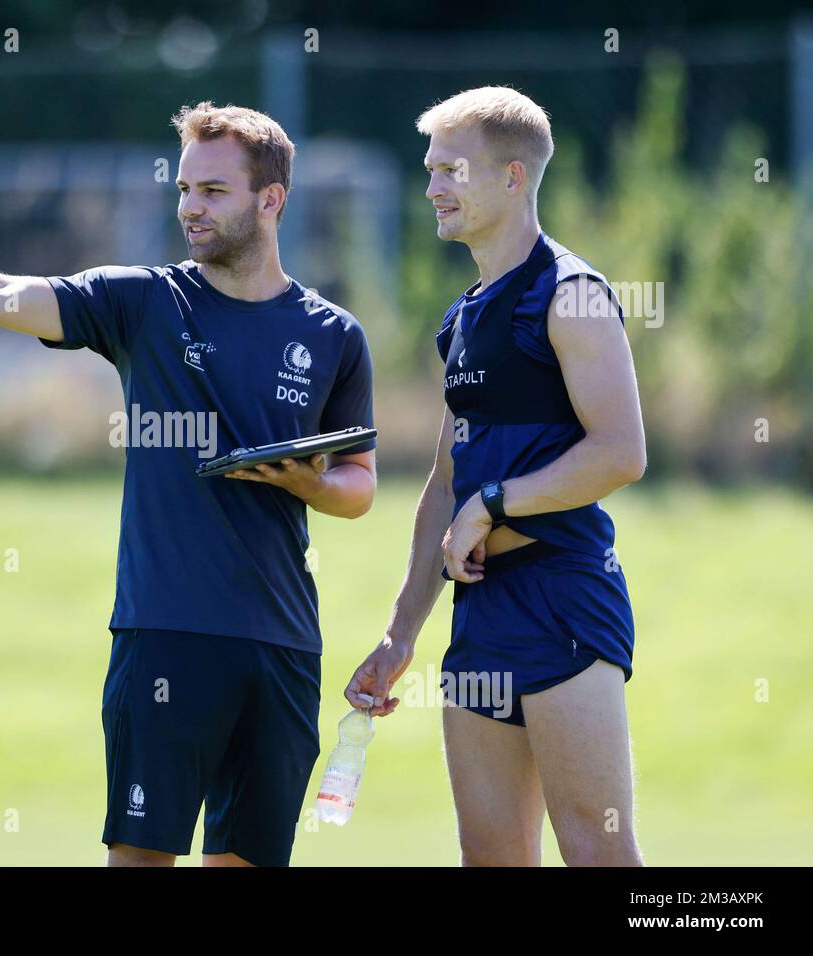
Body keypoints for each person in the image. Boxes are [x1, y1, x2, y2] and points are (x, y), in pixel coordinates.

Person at [0, 101, 377, 867]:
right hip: (166, 634)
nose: (190, 206)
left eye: (212, 192)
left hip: (284, 644)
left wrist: (306, 484)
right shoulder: (146, 302)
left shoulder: (333, 335)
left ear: (270, 199)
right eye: (184, 188)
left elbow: (359, 484)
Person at [345, 87, 646, 866]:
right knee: (492, 860)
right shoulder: (462, 318)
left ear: (513, 177)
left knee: (596, 852)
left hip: (563, 599)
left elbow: (621, 452)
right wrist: (398, 633)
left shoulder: (572, 295)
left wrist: (498, 503)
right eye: (430, 170)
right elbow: (445, 485)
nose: (433, 188)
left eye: (452, 169)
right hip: (478, 616)